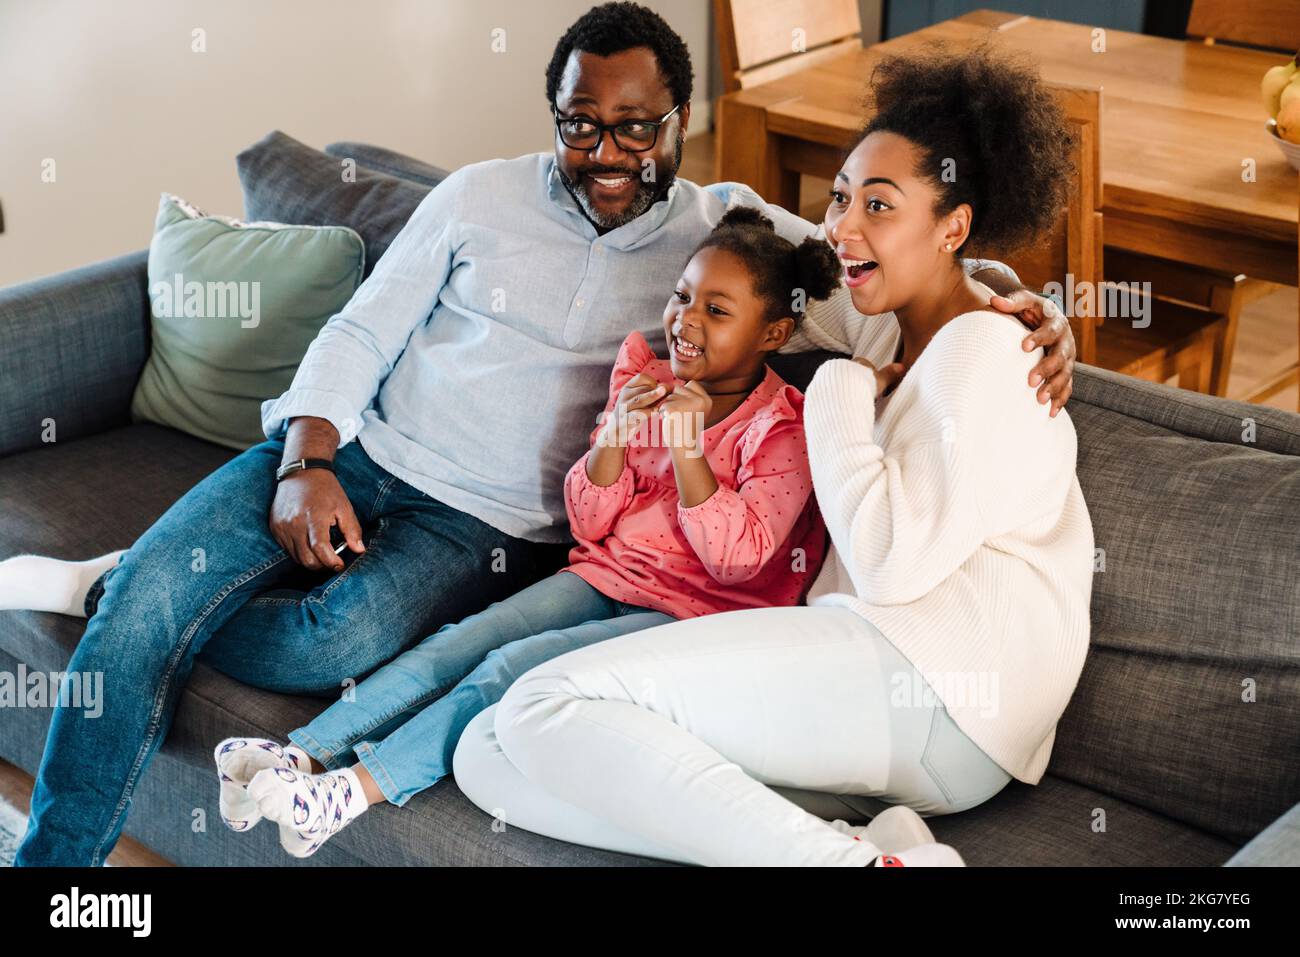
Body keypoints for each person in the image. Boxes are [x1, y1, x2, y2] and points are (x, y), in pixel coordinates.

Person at [0, 3, 1074, 866]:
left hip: (483, 530)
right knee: (150, 612)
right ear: (553, 114)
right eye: (579, 123)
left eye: (636, 127)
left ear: (681, 121)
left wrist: (1015, 300)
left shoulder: (726, 237)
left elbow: (876, 279)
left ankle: (128, 581)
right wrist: (308, 458)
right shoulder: (475, 197)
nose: (605, 151)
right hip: (360, 451)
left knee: (322, 646)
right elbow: (360, 330)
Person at [451, 42, 1096, 867]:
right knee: (488, 756)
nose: (843, 226)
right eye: (839, 197)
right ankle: (883, 849)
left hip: (940, 684)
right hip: (894, 722)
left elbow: (891, 567)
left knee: (542, 699)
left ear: (953, 227)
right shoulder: (893, 331)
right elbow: (765, 271)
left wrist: (839, 390)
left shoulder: (983, 348)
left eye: (880, 205)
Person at [212, 208, 848, 858]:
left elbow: (736, 562)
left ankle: (351, 791)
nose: (686, 320)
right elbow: (589, 520)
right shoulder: (645, 381)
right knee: (457, 643)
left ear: (772, 330)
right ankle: (302, 755)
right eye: (683, 296)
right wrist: (616, 435)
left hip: (697, 618)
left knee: (506, 670)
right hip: (606, 574)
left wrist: (687, 451)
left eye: (717, 310)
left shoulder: (782, 431)